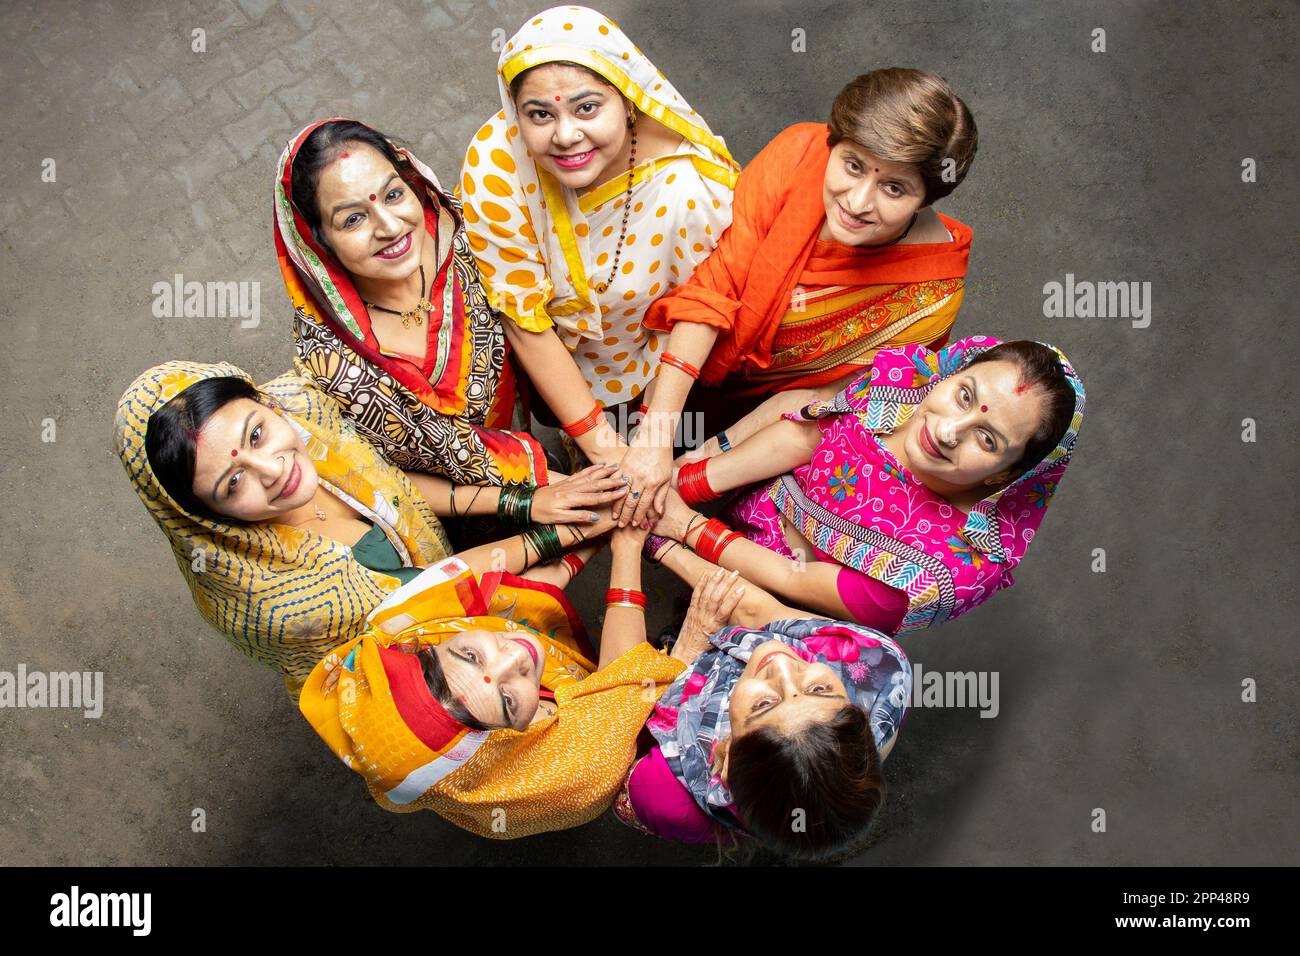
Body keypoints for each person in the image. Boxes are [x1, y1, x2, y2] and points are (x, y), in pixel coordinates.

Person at [115, 361, 624, 698]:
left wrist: (528, 502)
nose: (271, 470)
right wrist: (572, 536)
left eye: (257, 433)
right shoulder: (287, 604)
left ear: (267, 404)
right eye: (233, 483)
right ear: (208, 515)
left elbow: (392, 487)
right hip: (433, 662)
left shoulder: (302, 405)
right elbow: (432, 592)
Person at [618, 67, 979, 528]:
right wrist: (654, 438)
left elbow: (821, 402)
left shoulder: (930, 295)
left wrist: (685, 473)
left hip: (771, 422)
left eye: (894, 188)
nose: (858, 201)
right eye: (852, 165)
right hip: (682, 349)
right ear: (833, 142)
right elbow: (713, 287)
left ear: (926, 199)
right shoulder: (800, 152)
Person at [299, 523, 744, 838]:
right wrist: (630, 552)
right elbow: (625, 684)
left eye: (471, 654)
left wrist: (590, 532)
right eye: (509, 702)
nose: (515, 653)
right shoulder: (579, 769)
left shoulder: (407, 631)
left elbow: (509, 598)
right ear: (510, 739)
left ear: (427, 647)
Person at [459, 5, 738, 479]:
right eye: (539, 114)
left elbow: (695, 311)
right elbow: (525, 320)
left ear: (627, 99)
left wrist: (650, 445)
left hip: (658, 355)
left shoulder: (687, 186)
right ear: (515, 113)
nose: (566, 136)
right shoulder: (496, 165)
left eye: (587, 108)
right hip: (553, 351)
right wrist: (608, 457)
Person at [655, 336, 1085, 633]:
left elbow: (791, 577)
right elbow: (805, 435)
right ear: (950, 376)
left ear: (1006, 476)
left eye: (987, 439)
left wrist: (675, 528)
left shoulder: (936, 574)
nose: (950, 430)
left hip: (761, 613)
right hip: (734, 514)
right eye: (964, 395)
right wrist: (679, 484)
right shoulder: (903, 390)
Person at [277, 118, 546, 486]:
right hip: (457, 510)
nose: (389, 227)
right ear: (317, 239)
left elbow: (533, 330)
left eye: (393, 195)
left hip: (528, 437)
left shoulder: (467, 241)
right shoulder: (332, 364)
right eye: (353, 219)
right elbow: (384, 475)